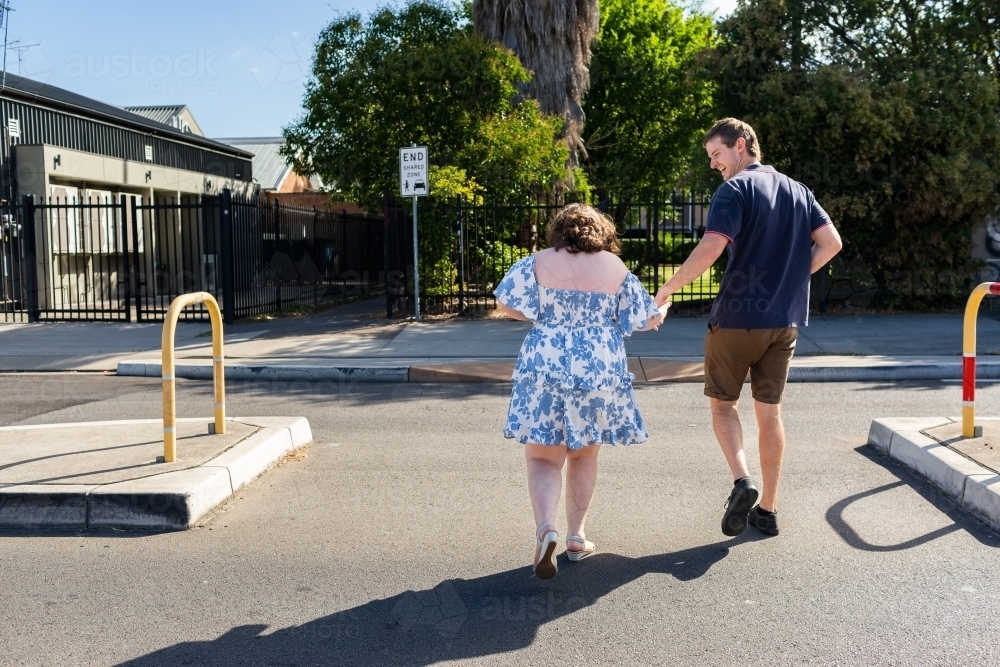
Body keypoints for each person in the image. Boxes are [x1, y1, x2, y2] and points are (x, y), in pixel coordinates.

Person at [654, 118, 842, 538]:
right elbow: (832, 243)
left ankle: (743, 482)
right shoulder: (799, 190)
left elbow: (711, 246)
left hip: (738, 318)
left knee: (723, 405)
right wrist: (794, 279)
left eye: (716, 154)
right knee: (770, 413)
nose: (713, 164)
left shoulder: (734, 190)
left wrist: (665, 291)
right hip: (784, 321)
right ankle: (769, 511)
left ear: (741, 146)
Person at [494, 203, 669, 579]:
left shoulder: (538, 261)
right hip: (598, 365)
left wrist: (544, 316)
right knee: (585, 455)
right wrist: (662, 310)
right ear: (601, 232)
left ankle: (546, 529)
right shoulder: (614, 267)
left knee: (542, 458)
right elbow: (645, 318)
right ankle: (576, 536)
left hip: (547, 360)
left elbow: (505, 302)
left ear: (559, 230)